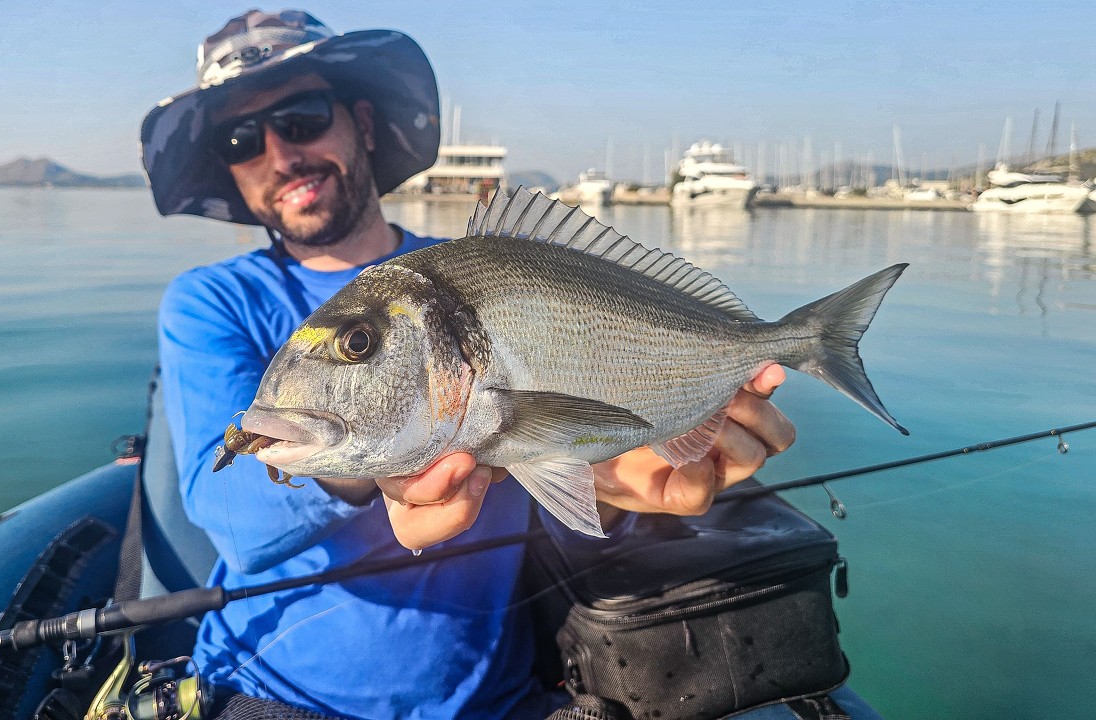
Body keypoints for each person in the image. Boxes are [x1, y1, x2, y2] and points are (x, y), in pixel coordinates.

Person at [141, 10, 798, 719]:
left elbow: (554, 468)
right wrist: (361, 456)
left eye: (302, 118)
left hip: (496, 696)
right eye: (240, 140)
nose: (280, 155)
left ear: (362, 123)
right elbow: (228, 520)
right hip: (272, 690)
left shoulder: (481, 273)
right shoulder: (213, 300)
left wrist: (619, 490)